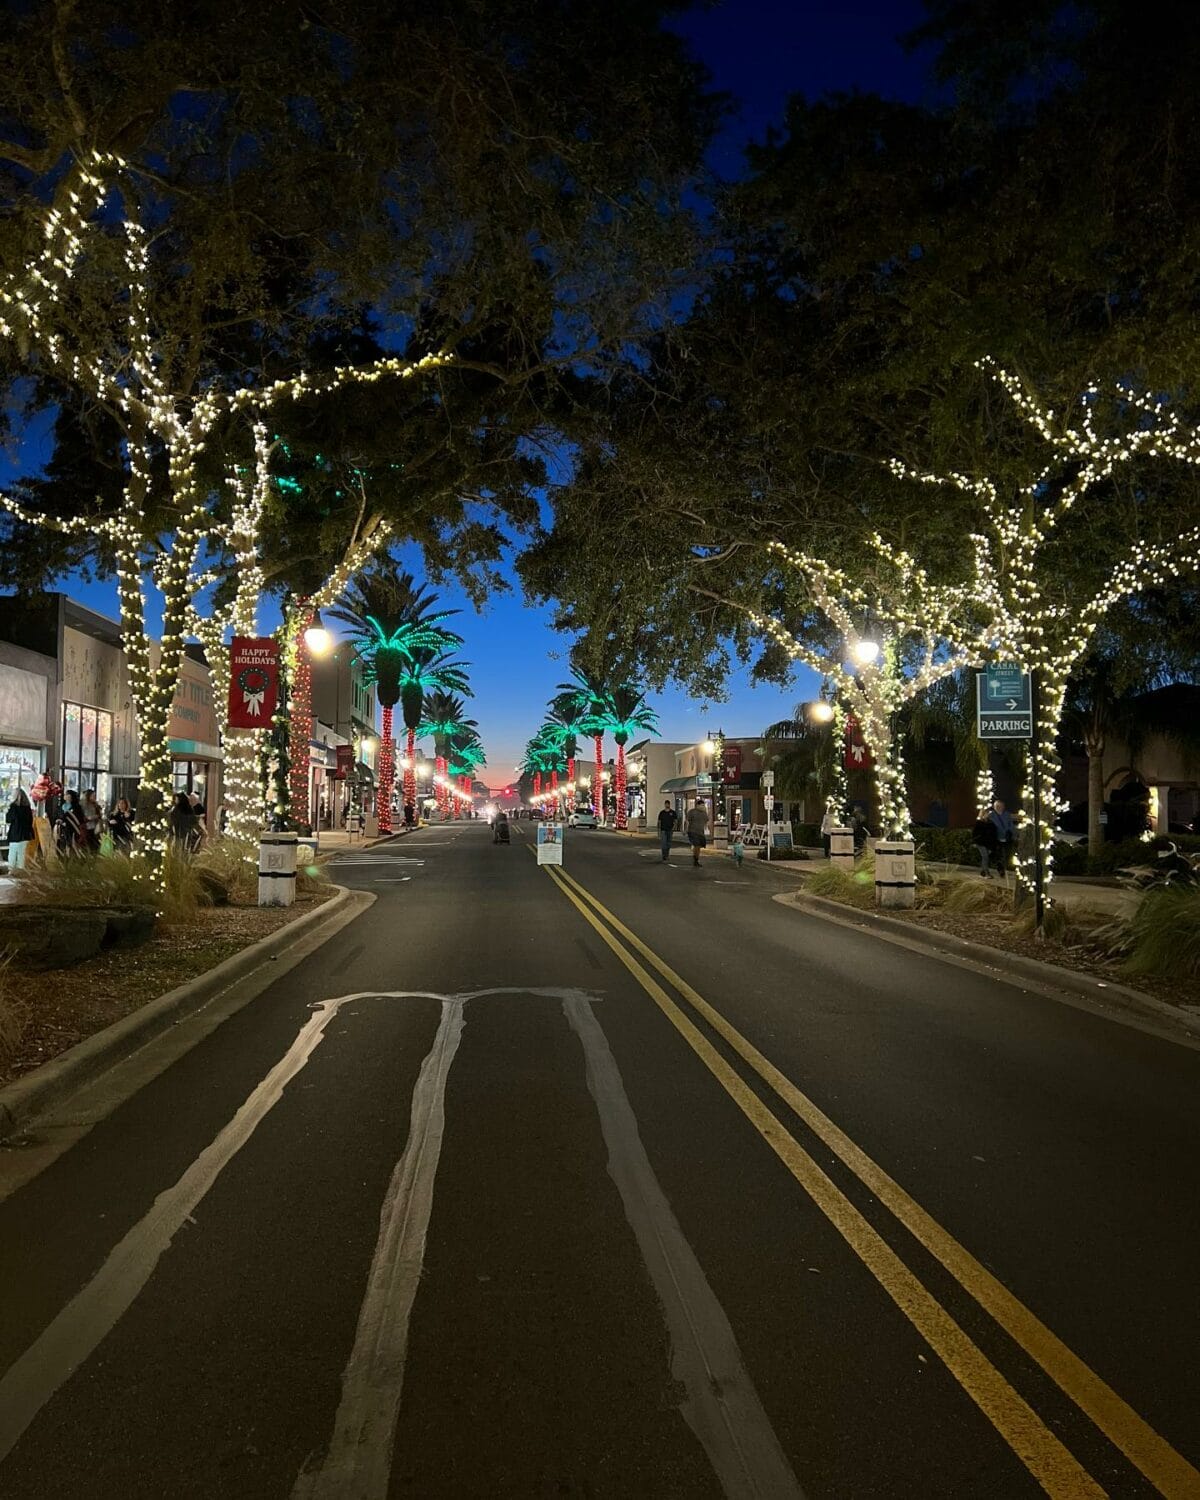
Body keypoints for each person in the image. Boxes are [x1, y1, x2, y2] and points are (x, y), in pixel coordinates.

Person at [5, 788, 34, 869]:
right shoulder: (27, 807)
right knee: (22, 854)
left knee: (13, 852)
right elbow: (30, 820)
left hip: (15, 833)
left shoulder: (13, 807)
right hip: (26, 834)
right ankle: (21, 870)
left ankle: (12, 869)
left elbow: (8, 820)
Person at [56, 789, 86, 855]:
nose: (65, 796)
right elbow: (59, 815)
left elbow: (78, 818)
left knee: (72, 844)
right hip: (63, 828)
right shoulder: (62, 806)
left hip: (73, 829)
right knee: (63, 843)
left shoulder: (76, 807)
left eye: (67, 794)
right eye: (65, 794)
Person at [989, 799, 1015, 872]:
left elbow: (1011, 825)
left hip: (1007, 837)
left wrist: (1010, 833)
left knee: (1007, 854)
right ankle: (1000, 867)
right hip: (996, 838)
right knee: (998, 854)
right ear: (994, 807)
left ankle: (1003, 866)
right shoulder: (991, 815)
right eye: (997, 806)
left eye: (1001, 806)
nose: (1000, 807)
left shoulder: (1007, 814)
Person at [972, 810, 999, 878]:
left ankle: (983, 872)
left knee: (985, 857)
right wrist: (975, 842)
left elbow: (993, 833)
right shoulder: (979, 823)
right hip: (981, 843)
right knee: (985, 857)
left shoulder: (991, 823)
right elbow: (975, 834)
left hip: (988, 843)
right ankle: (986, 873)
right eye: (987, 813)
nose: (988, 815)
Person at [685, 798, 709, 868]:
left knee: (699, 847)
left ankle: (696, 857)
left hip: (700, 833)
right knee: (697, 845)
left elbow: (706, 822)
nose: (702, 806)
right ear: (697, 805)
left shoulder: (704, 813)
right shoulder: (692, 812)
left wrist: (707, 829)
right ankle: (696, 860)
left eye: (703, 805)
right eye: (701, 805)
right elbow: (687, 821)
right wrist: (685, 829)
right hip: (692, 831)